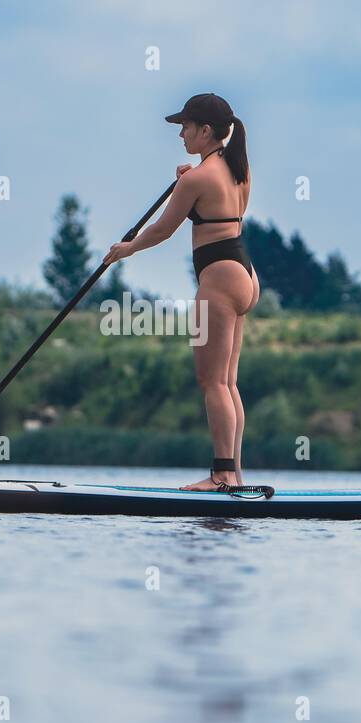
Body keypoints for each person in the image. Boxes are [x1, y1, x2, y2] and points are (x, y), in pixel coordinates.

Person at [103, 94, 261, 491]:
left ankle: (222, 475)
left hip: (220, 279)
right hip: (244, 273)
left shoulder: (197, 178)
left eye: (185, 127)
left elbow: (162, 230)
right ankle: (235, 475)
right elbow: (208, 195)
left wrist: (127, 248)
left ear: (205, 130)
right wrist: (187, 181)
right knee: (227, 382)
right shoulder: (237, 168)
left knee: (212, 381)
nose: (180, 134)